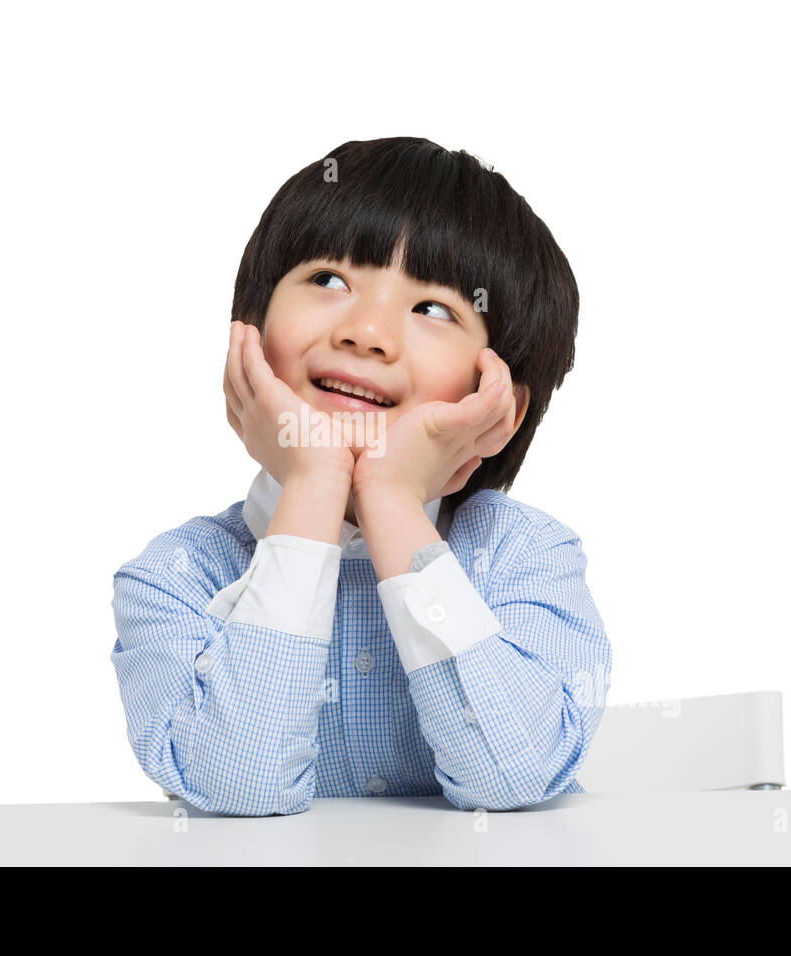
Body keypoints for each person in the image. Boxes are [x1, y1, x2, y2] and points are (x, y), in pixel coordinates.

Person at [110, 137, 611, 816]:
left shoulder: (529, 559)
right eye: (328, 280)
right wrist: (315, 481)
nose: (367, 332)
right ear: (249, 334)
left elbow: (510, 777)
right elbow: (239, 786)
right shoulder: (175, 576)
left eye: (433, 309)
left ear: (499, 403)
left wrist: (391, 499)